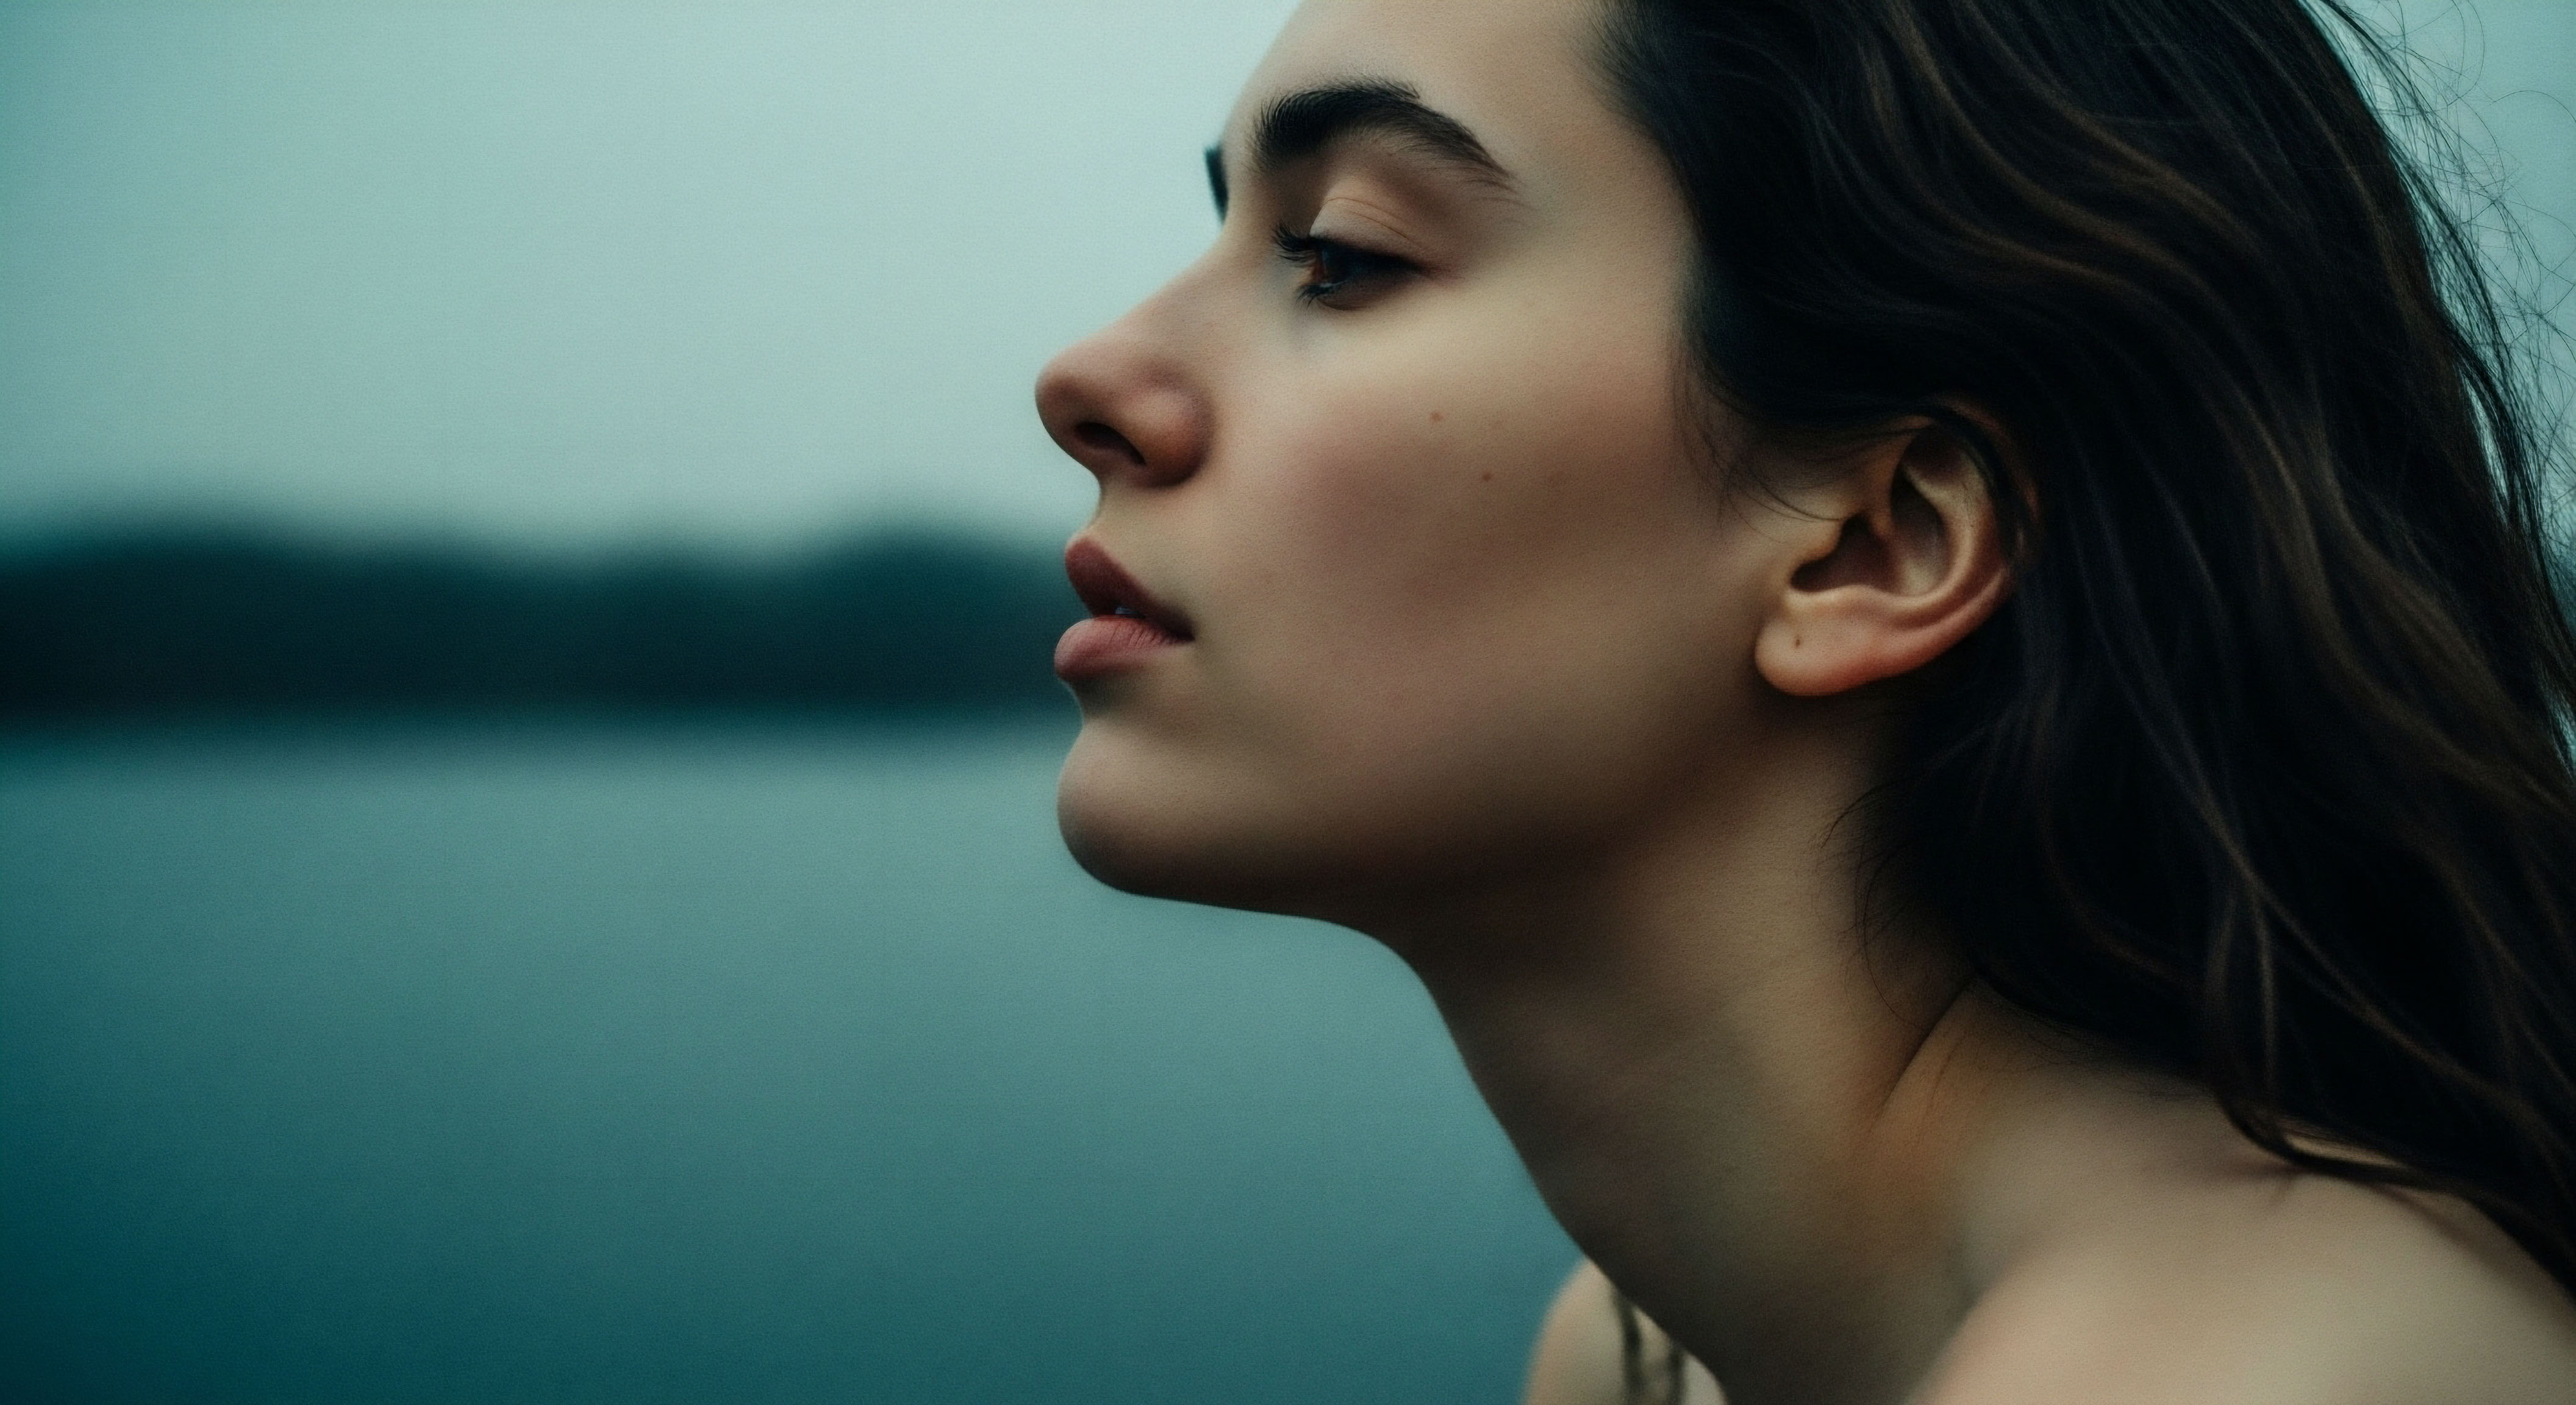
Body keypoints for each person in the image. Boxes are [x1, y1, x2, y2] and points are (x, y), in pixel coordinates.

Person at [1032, 0, 2576, 1400]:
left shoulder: (2266, 1368)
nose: (1089, 376)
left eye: (1342, 255)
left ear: (1873, 542)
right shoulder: (1634, 1367)